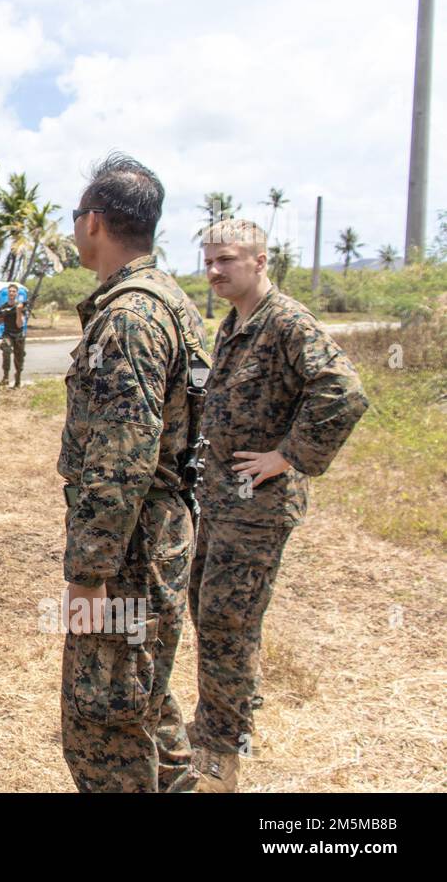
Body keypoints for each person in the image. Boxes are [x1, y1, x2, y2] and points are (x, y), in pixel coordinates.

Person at [190, 218, 368, 792]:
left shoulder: (287, 322)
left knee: (227, 620)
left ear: (261, 261)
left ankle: (223, 749)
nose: (215, 271)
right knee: (207, 608)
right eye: (210, 260)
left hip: (258, 507)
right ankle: (223, 713)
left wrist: (286, 455)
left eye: (229, 260)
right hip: (222, 499)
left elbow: (343, 390)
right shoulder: (233, 325)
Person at [57, 152, 211, 792]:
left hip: (129, 555)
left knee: (103, 723)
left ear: (94, 221)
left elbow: (123, 458)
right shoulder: (171, 300)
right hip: (159, 536)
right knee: (147, 698)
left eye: (75, 215)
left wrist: (90, 577)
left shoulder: (128, 317)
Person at [0, 284, 28, 387]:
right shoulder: (4, 307)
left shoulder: (21, 307)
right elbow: (1, 320)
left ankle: (17, 380)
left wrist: (18, 311)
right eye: (10, 291)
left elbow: (19, 324)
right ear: (8, 293)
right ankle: (6, 378)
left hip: (19, 335)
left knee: (19, 359)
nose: (11, 293)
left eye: (14, 291)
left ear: (17, 293)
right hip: (7, 333)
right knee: (6, 350)